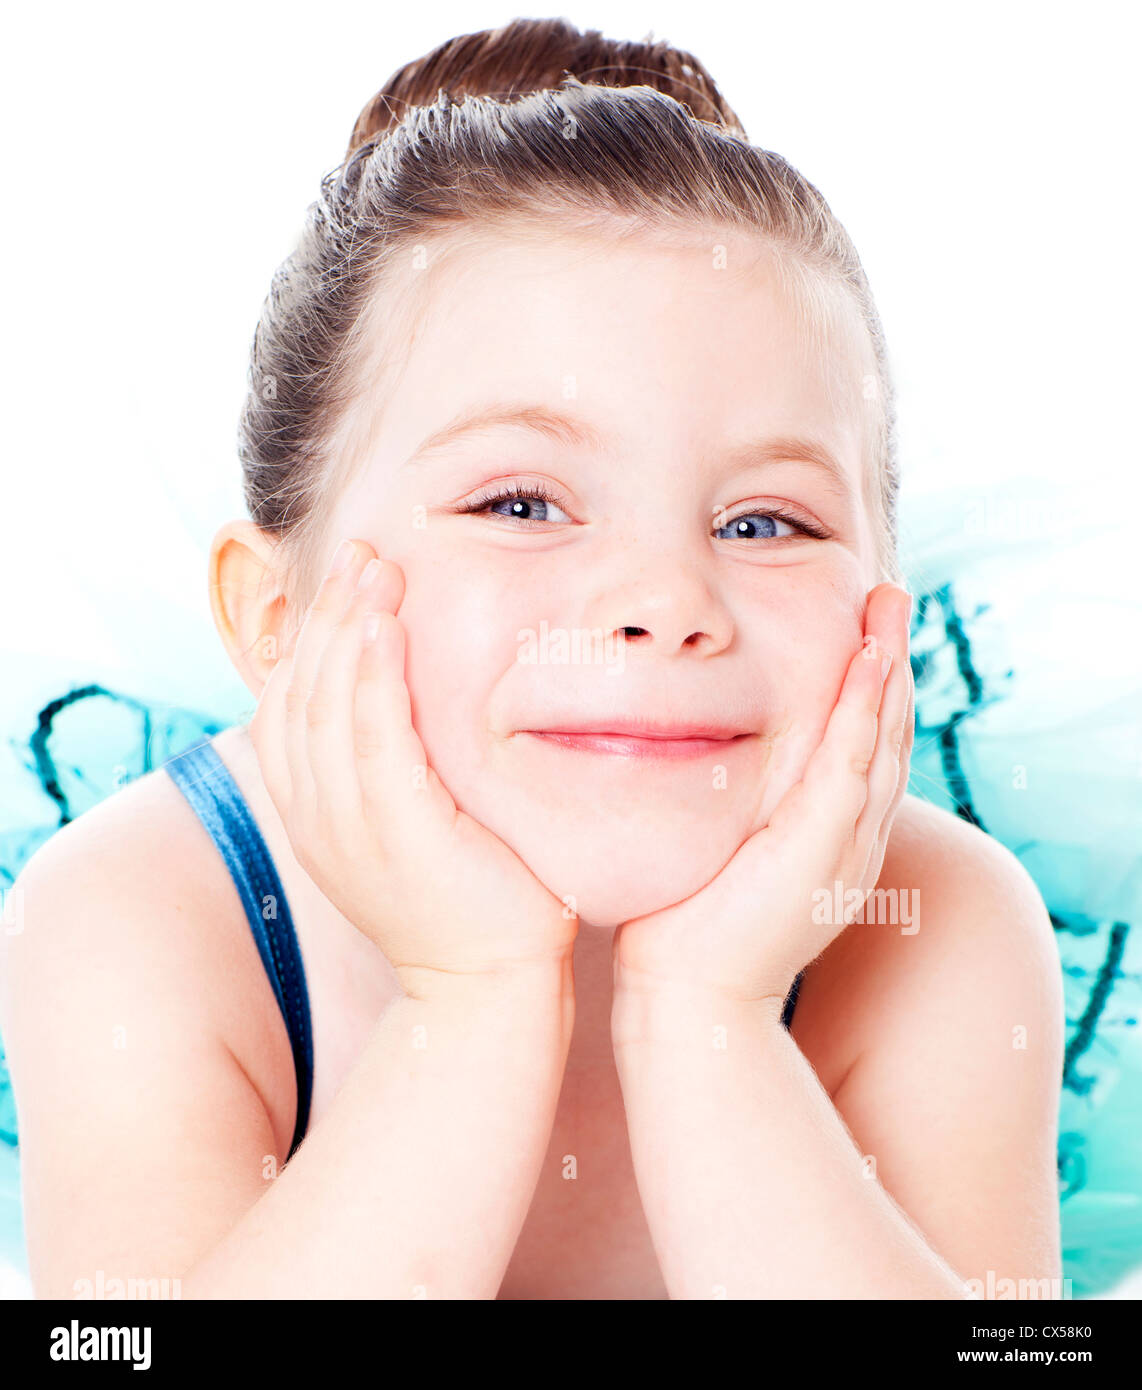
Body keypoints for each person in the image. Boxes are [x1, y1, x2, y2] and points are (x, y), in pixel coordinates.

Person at [0, 17, 1064, 1300]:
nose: (666, 603)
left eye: (764, 520)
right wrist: (473, 999)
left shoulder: (941, 929)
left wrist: (708, 1021)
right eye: (518, 502)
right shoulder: (141, 916)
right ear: (276, 622)